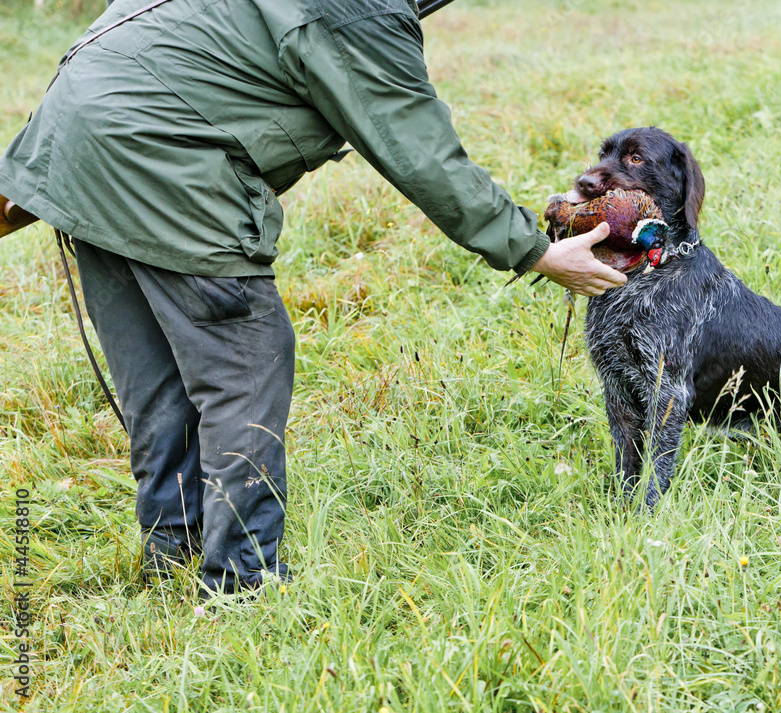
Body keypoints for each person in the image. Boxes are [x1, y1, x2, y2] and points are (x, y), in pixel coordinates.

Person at [0, 0, 625, 596]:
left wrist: (30, 175)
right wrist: (535, 251)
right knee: (244, 361)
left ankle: (174, 554)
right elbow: (418, 150)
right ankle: (242, 585)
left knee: (158, 374)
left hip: (77, 141)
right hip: (160, 157)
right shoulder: (361, 8)